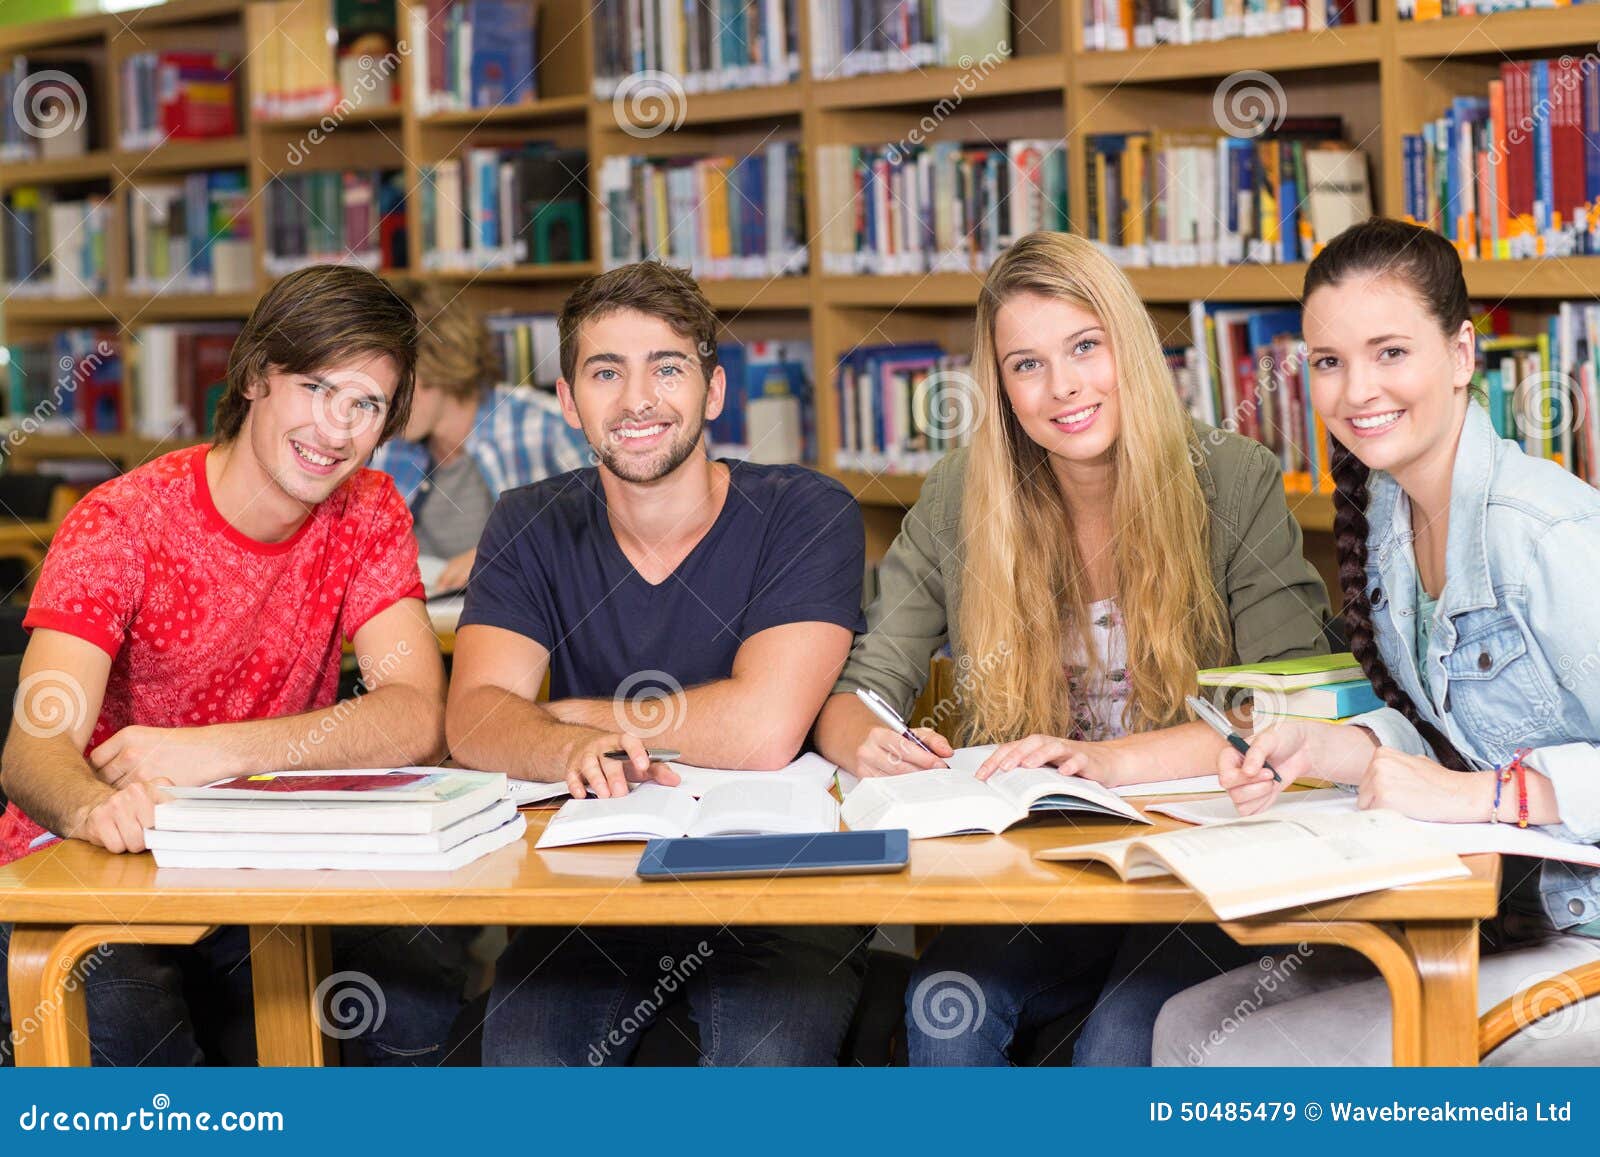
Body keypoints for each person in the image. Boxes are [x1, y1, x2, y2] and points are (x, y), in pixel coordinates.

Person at [812, 230, 1332, 1066]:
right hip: (1041, 870)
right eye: (1027, 364)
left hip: (1196, 867)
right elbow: (863, 684)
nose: (1063, 387)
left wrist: (1113, 762)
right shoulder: (960, 494)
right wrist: (864, 738)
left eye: (1084, 347)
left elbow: (1288, 709)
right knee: (946, 1006)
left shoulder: (1233, 477)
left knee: (1126, 1034)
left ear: (1125, 344)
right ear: (1001, 385)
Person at [1153, 217, 1600, 1066]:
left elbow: (1469, 782)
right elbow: (1449, 736)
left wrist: (1479, 799)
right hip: (1499, 913)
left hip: (1582, 940)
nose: (1358, 389)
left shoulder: (1541, 534)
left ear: (1463, 354)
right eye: (1329, 361)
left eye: (1390, 351)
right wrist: (1337, 748)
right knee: (1184, 1026)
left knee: (1237, 1058)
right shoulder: (1393, 519)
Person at [0, 265, 469, 1066]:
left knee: (416, 991)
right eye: (317, 387)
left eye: (365, 405)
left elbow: (417, 716)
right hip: (97, 860)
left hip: (261, 856)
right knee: (138, 1042)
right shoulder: (120, 523)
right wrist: (94, 809)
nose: (335, 430)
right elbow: (33, 750)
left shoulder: (370, 511)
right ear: (256, 375)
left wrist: (211, 754)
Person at [446, 260, 869, 1065]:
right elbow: (473, 715)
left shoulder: (806, 511)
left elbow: (761, 730)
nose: (637, 400)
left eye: (666, 368)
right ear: (568, 401)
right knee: (525, 1074)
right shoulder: (530, 521)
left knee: (758, 1082)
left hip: (777, 886)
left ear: (712, 391)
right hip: (593, 884)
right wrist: (559, 744)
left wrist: (577, 717)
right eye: (607, 372)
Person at [369, 280, 589, 593]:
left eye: (396, 384)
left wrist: (500, 555)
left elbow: (599, 536)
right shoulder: (386, 449)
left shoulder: (545, 427)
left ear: (437, 366)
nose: (383, 403)